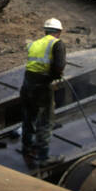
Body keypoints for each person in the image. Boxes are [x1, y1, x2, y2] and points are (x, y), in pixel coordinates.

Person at [20, 17, 66, 168]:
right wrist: (56, 75)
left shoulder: (34, 44)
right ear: (58, 32)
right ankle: (43, 157)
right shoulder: (57, 44)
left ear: (46, 30)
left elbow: (35, 63)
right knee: (45, 121)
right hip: (41, 88)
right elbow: (59, 67)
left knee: (28, 119)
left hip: (27, 85)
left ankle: (27, 149)